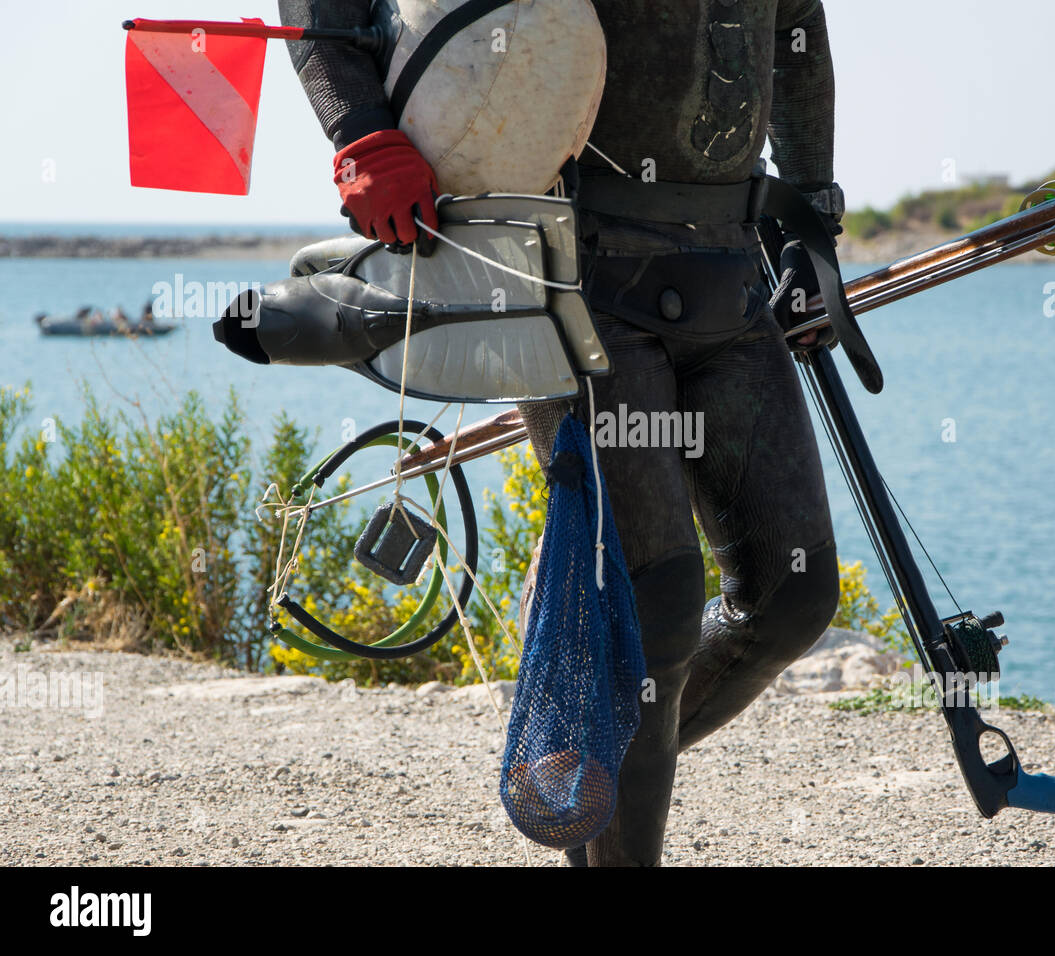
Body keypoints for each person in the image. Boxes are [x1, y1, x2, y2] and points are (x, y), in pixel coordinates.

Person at [280, 0, 846, 866]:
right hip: (568, 270)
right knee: (651, 605)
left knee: (791, 598)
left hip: (729, 272)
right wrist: (361, 130)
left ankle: (583, 777)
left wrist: (812, 219)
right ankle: (606, 809)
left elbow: (795, 31)